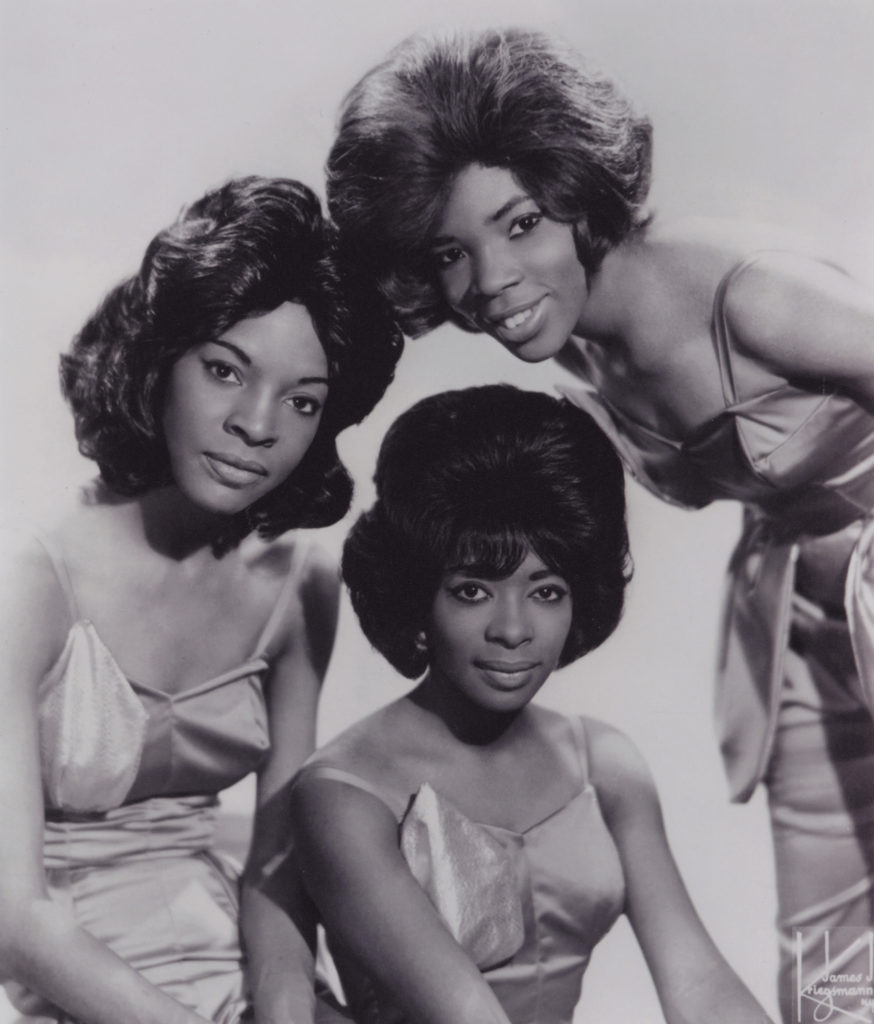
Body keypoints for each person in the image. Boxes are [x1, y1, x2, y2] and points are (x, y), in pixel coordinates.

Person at [325, 27, 874, 1021]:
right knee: (835, 955)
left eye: (521, 222)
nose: (491, 279)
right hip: (792, 615)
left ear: (580, 193)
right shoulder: (578, 358)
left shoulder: (745, 295)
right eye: (451, 251)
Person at [0, 175, 401, 1024]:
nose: (257, 425)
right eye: (224, 370)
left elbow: (277, 862)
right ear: (160, 361)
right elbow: (16, 922)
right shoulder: (31, 581)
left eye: (302, 401)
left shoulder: (299, 582)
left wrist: (287, 1009)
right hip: (80, 986)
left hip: (238, 962)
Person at [289, 385, 773, 1024]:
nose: (513, 630)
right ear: (416, 597)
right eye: (472, 590)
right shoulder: (343, 794)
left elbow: (698, 979)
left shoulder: (603, 764)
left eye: (546, 592)